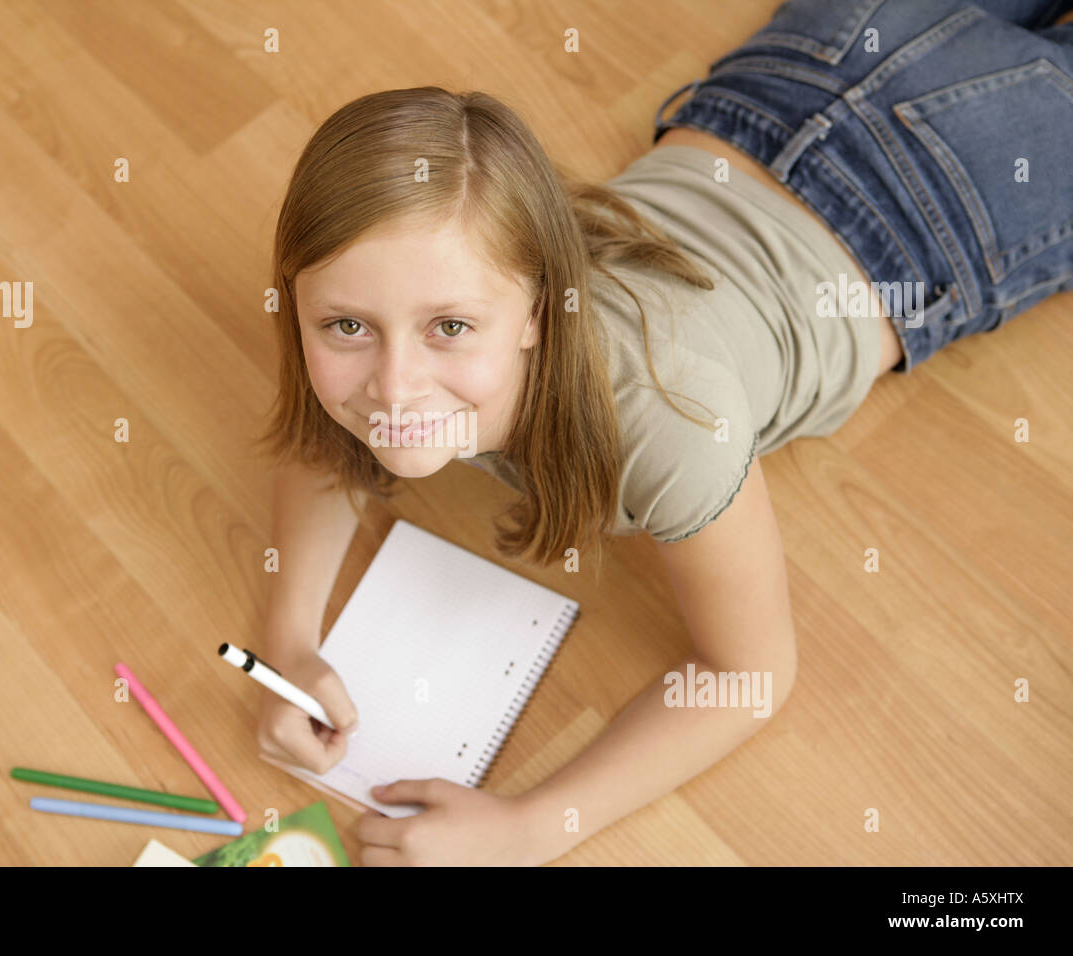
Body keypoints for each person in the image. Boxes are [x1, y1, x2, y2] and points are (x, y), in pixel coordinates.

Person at [251, 0, 1073, 865]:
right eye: (345, 328)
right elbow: (325, 448)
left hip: (937, 206)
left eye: (448, 327)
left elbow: (748, 675)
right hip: (780, 91)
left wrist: (532, 829)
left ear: (537, 307)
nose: (393, 386)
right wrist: (288, 648)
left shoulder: (668, 419)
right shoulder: (408, 287)